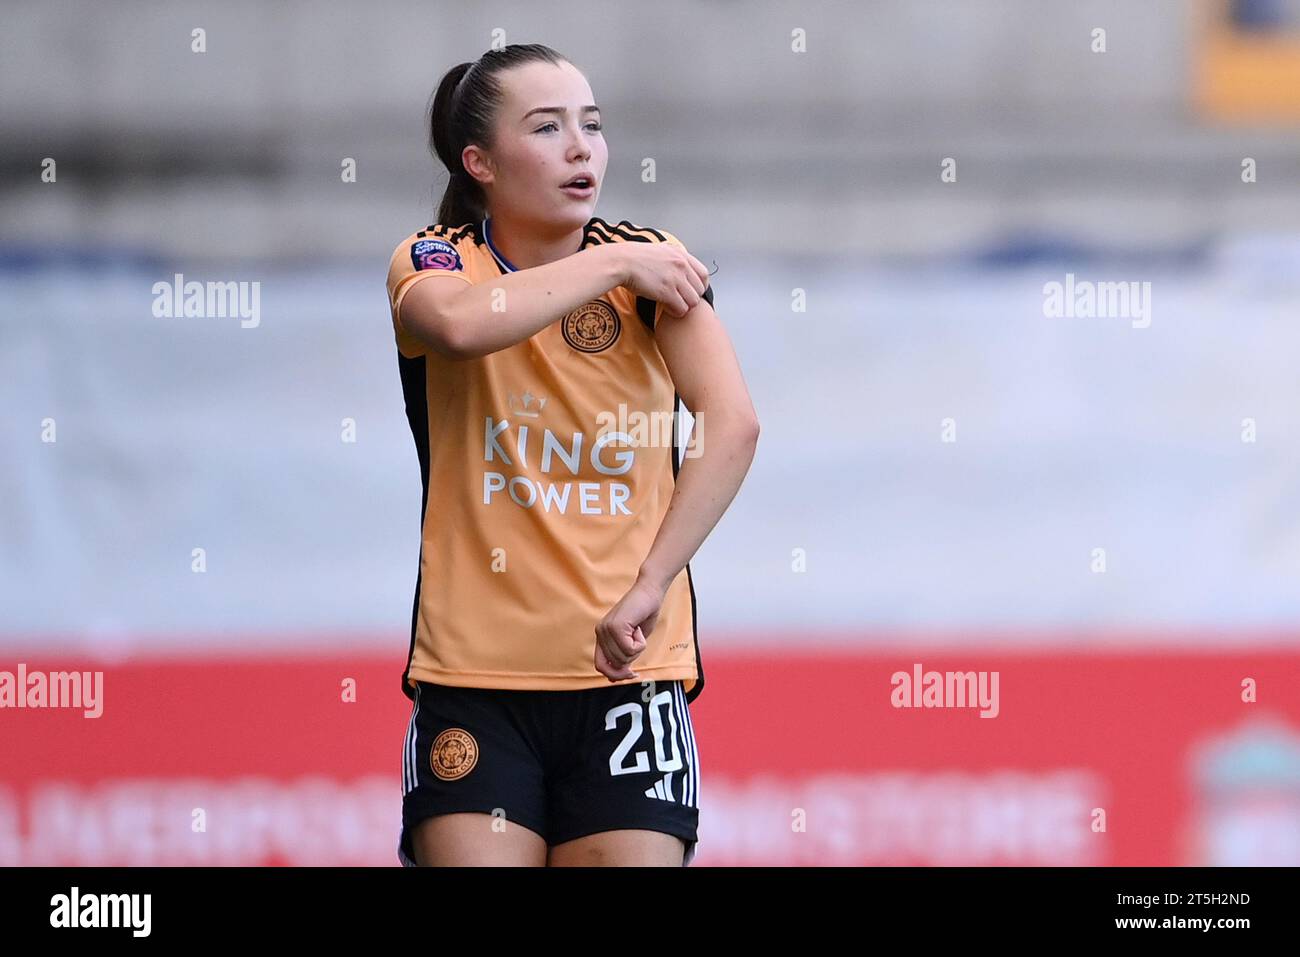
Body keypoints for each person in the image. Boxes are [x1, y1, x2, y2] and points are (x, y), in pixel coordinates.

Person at [385, 43, 759, 866]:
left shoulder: (655, 270)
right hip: (476, 682)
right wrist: (616, 260)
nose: (581, 146)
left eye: (591, 124)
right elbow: (457, 325)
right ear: (478, 161)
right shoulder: (439, 259)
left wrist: (652, 583)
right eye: (548, 127)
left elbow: (732, 426)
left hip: (628, 678)